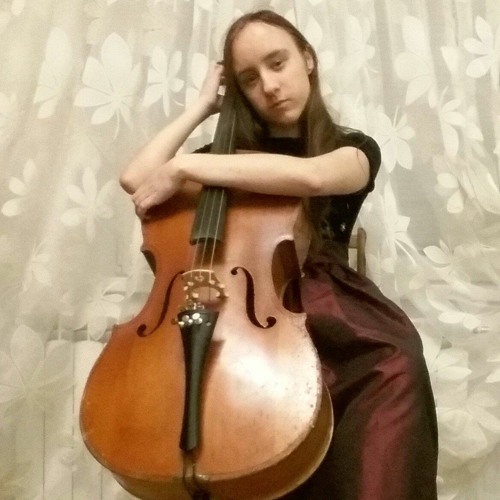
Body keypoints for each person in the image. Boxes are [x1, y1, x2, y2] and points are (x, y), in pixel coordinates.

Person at [120, 9, 438, 500]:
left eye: (277, 63)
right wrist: (202, 107)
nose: (269, 86)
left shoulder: (353, 147)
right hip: (239, 314)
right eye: (249, 79)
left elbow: (311, 177)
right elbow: (137, 180)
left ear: (307, 59)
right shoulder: (223, 155)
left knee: (397, 362)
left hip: (333, 309)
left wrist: (186, 167)